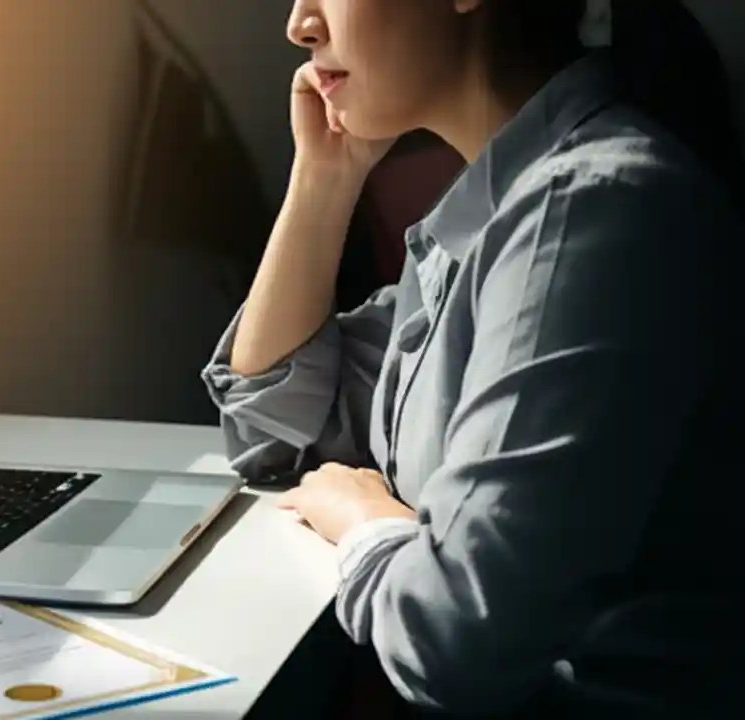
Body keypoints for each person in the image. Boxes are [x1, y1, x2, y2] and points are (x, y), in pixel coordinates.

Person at [202, 1, 743, 717]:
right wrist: (324, 176)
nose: (300, 25)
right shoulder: (495, 210)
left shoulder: (587, 209)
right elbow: (273, 433)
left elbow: (455, 641)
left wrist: (363, 522)